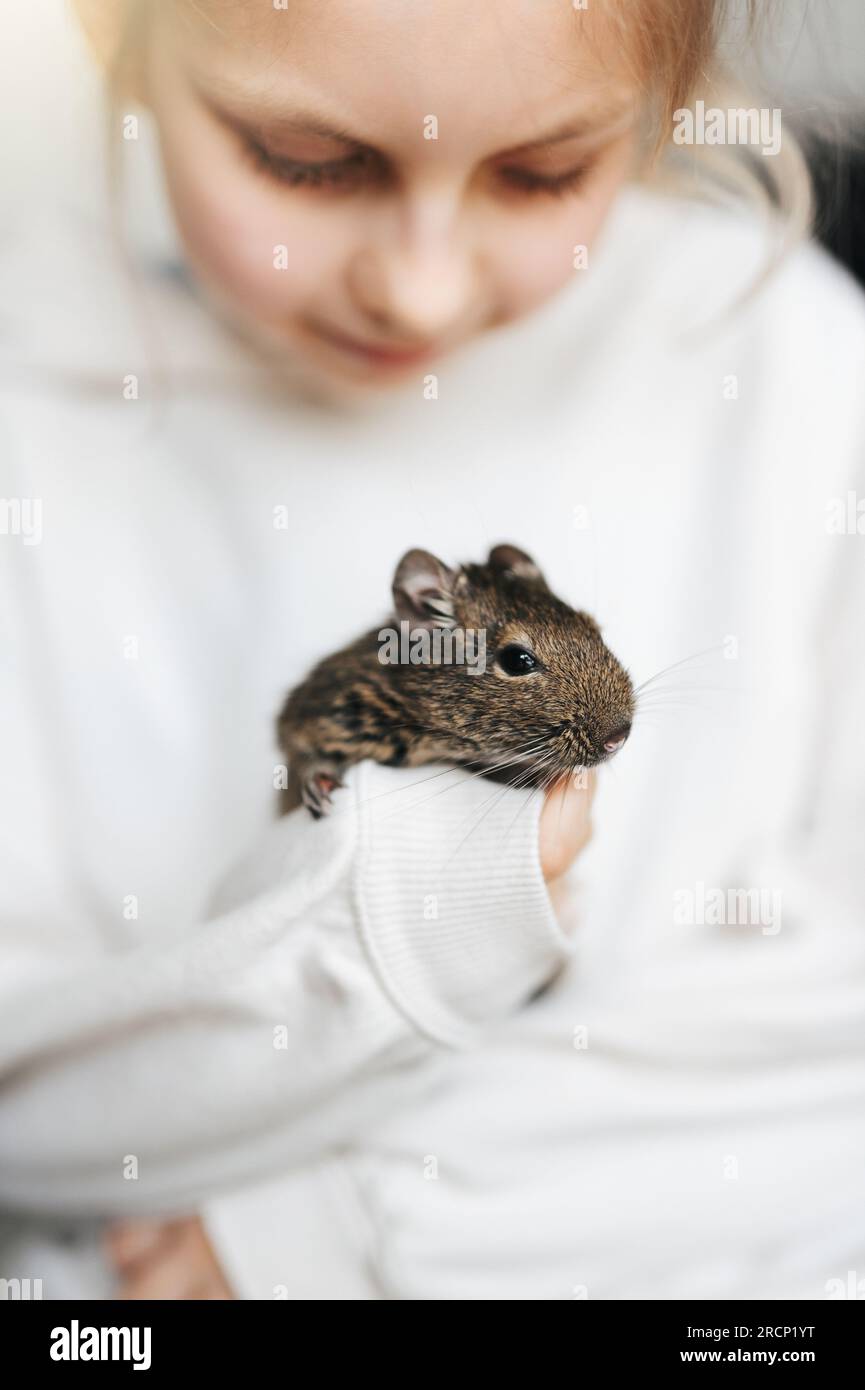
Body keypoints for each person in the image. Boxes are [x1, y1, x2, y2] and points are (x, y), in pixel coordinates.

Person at [1, 0, 863, 1300]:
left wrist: (357, 1215)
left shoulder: (790, 369)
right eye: (304, 159)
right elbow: (38, 1117)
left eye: (541, 173)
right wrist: (393, 917)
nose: (420, 284)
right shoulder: (39, 432)